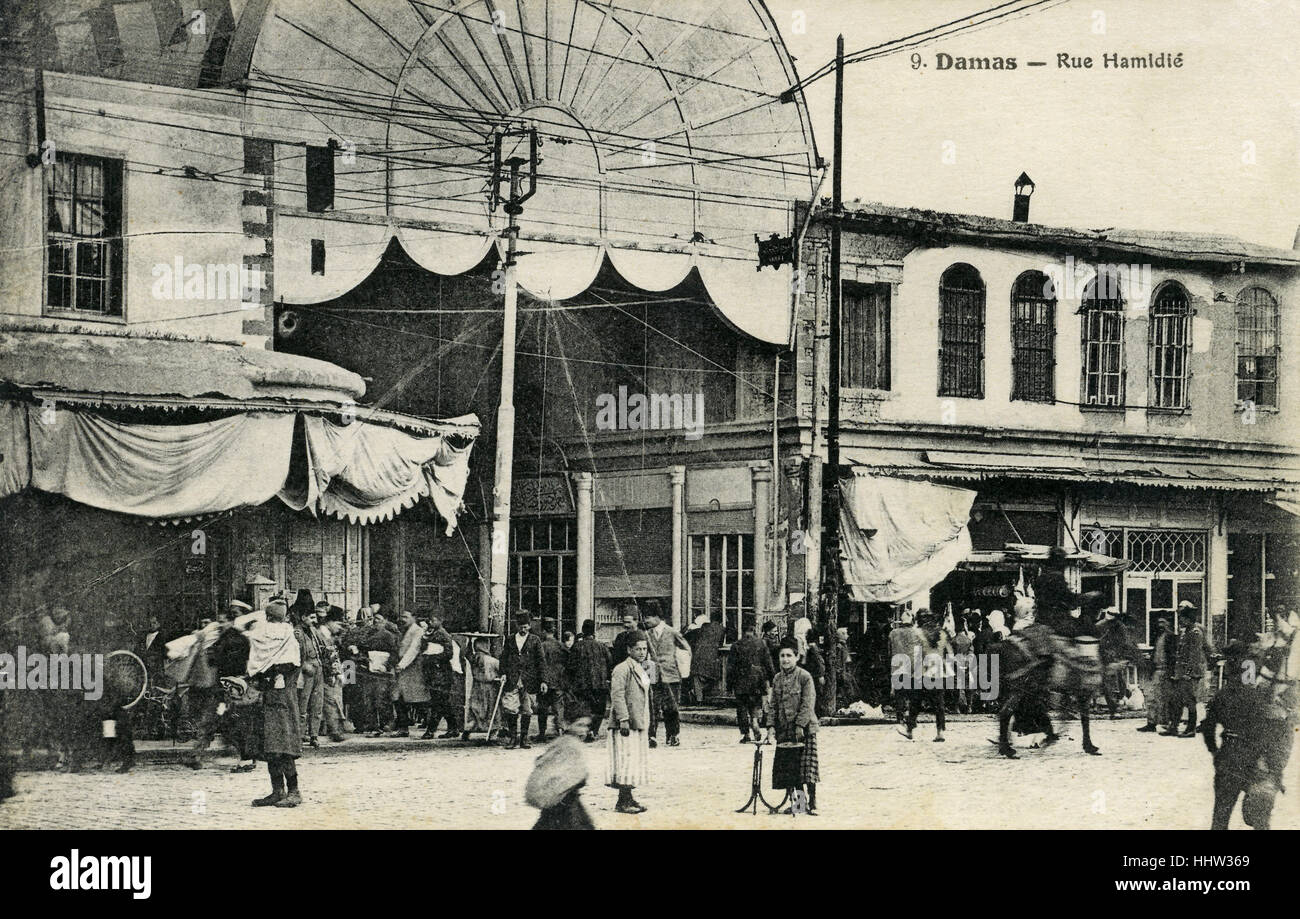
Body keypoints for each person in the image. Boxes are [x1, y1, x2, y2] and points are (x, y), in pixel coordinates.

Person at [247, 599, 303, 808]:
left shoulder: (271, 636)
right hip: (274, 699)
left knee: (282, 745)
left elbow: (292, 666)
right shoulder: (286, 636)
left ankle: (294, 791)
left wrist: (268, 674)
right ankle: (278, 790)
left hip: (281, 700)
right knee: (272, 746)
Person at [768, 637, 819, 815]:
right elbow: (773, 704)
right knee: (791, 769)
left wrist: (800, 725)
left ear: (797, 657)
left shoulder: (805, 677)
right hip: (785, 730)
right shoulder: (777, 679)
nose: (785, 659)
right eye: (782, 655)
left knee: (807, 769)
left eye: (789, 655)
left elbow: (808, 703)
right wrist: (771, 726)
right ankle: (799, 804)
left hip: (805, 730)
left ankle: (812, 803)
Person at [210, 601, 258, 770]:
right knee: (231, 721)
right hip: (232, 685)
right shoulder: (232, 638)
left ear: (231, 622)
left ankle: (246, 758)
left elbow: (218, 660)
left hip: (233, 686)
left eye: (223, 621)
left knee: (235, 722)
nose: (220, 625)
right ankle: (245, 756)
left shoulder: (233, 640)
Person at [608, 632, 652, 814]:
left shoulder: (641, 668)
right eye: (638, 649)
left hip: (638, 720)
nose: (642, 652)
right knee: (625, 759)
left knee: (633, 760)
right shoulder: (622, 669)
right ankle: (622, 801)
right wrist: (623, 719)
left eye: (644, 649)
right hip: (625, 724)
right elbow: (617, 695)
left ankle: (628, 797)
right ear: (629, 650)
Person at [642, 604, 690, 747]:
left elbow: (686, 650)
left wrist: (681, 667)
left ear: (657, 616)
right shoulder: (647, 634)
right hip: (653, 676)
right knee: (652, 707)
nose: (645, 620)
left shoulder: (672, 632)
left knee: (672, 707)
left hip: (671, 675)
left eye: (648, 617)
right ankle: (652, 736)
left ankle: (673, 735)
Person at [499, 615, 546, 749]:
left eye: (525, 627)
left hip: (529, 679)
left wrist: (543, 680)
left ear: (529, 626)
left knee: (527, 709)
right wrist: (503, 673)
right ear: (517, 626)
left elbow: (541, 661)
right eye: (521, 627)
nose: (523, 629)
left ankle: (524, 739)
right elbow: (504, 658)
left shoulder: (535, 640)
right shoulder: (510, 639)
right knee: (510, 708)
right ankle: (513, 738)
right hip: (512, 678)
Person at [728, 618, 774, 742]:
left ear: (742, 631)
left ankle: (745, 734)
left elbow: (731, 667)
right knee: (755, 703)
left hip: (740, 680)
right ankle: (754, 721)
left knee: (741, 707)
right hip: (757, 680)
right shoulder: (761, 644)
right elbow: (768, 663)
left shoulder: (736, 645)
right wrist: (771, 678)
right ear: (754, 630)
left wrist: (729, 684)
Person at [566, 619, 612, 742]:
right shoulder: (602, 647)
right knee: (599, 709)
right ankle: (594, 731)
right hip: (600, 684)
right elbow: (609, 663)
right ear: (594, 631)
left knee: (585, 709)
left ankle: (585, 731)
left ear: (583, 630)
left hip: (582, 685)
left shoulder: (577, 647)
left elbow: (570, 666)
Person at [1165, 604, 1208, 737]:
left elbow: (1194, 656)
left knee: (1190, 701)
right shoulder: (1186, 632)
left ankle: (1191, 729)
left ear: (1189, 618)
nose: (1180, 620)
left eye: (1182, 618)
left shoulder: (1195, 633)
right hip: (1181, 673)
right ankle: (1174, 727)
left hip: (1189, 674)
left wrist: (1188, 674)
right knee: (1177, 700)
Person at [355, 610, 398, 737]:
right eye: (374, 619)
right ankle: (372, 724)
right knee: (368, 697)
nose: (375, 621)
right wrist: (363, 658)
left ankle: (386, 723)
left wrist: (387, 665)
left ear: (385, 621)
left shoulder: (389, 636)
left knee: (382, 697)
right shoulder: (367, 634)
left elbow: (394, 653)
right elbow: (362, 649)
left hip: (382, 672)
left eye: (379, 619)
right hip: (368, 670)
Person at [392, 611, 431, 738]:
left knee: (418, 700)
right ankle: (403, 728)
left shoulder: (418, 631)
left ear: (414, 618)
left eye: (405, 617)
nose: (402, 619)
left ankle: (438, 726)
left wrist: (402, 664)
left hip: (413, 669)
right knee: (398, 698)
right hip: (404, 671)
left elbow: (413, 649)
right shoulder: (404, 631)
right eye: (401, 616)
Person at [1097, 608, 1138, 718]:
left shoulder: (1120, 627)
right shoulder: (1100, 626)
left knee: (1120, 680)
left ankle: (1121, 700)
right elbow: (1097, 642)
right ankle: (1113, 709)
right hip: (1104, 658)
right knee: (1107, 685)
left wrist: (1124, 657)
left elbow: (1125, 643)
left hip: (1117, 658)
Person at [420, 616, 457, 738]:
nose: (430, 622)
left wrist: (433, 657)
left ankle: (431, 730)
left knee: (438, 702)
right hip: (434, 673)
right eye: (430, 620)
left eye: (434, 620)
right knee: (443, 703)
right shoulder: (432, 633)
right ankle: (453, 728)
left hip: (441, 672)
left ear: (441, 621)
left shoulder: (443, 634)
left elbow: (449, 653)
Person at [889, 610, 924, 737]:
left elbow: (890, 650)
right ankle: (912, 721)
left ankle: (900, 719)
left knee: (900, 694)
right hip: (914, 667)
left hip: (898, 665)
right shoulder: (918, 633)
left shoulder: (893, 633)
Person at [1138, 616, 1176, 733]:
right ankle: (1151, 723)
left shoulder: (1171, 637)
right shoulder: (1158, 637)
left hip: (1166, 671)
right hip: (1157, 671)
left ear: (1168, 623)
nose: (1160, 625)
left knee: (1166, 699)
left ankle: (1169, 723)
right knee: (1152, 697)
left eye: (1163, 622)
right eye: (1159, 622)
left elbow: (1173, 656)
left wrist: (1172, 673)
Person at [294, 608, 325, 747]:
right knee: (303, 703)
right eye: (312, 617)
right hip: (305, 671)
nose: (315, 620)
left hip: (318, 668)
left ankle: (314, 734)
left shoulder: (314, 631)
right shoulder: (297, 632)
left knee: (317, 702)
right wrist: (303, 665)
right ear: (303, 617)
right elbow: (296, 653)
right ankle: (300, 736)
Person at [461, 636, 501, 740]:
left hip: (477, 687)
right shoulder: (492, 660)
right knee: (491, 709)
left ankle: (468, 729)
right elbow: (502, 670)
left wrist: (469, 642)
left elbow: (467, 653)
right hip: (489, 688)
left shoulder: (474, 658)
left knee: (475, 709)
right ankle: (493, 732)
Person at [535, 618, 568, 742]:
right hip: (558, 682)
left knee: (542, 708)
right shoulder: (561, 645)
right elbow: (569, 661)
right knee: (558, 708)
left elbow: (537, 664)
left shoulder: (541, 646)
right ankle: (559, 731)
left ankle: (542, 734)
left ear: (543, 630)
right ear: (554, 630)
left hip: (544, 682)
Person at [688, 614, 725, 703]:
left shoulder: (703, 627)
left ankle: (698, 699)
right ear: (721, 621)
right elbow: (720, 644)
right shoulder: (722, 629)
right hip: (712, 656)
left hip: (697, 656)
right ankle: (697, 695)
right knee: (713, 678)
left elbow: (690, 637)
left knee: (697, 678)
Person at [802, 626, 828, 716]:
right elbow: (819, 662)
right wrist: (821, 674)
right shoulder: (814, 649)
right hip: (816, 675)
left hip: (814, 674)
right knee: (817, 694)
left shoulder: (809, 648)